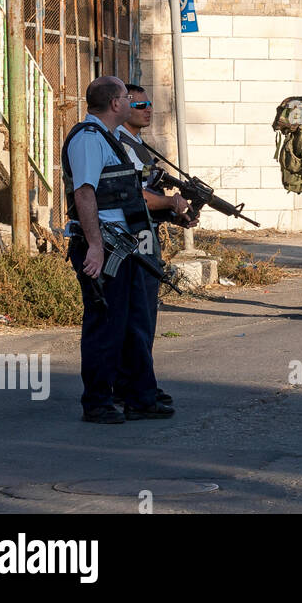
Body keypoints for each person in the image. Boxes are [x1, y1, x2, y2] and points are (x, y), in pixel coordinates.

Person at [63, 76, 175, 423]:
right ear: (115, 104)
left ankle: (136, 396)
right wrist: (95, 246)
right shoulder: (87, 139)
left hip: (123, 245)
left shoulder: (110, 139)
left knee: (128, 323)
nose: (133, 103)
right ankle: (96, 402)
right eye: (128, 98)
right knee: (105, 325)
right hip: (103, 247)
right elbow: (84, 193)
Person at [116, 84, 196, 408]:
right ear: (122, 107)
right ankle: (136, 389)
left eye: (150, 103)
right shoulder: (121, 144)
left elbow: (151, 195)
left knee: (144, 317)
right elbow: (137, 196)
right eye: (141, 104)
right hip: (132, 241)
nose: (148, 109)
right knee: (137, 317)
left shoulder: (138, 144)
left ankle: (137, 383)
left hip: (146, 237)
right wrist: (170, 202)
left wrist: (178, 214)